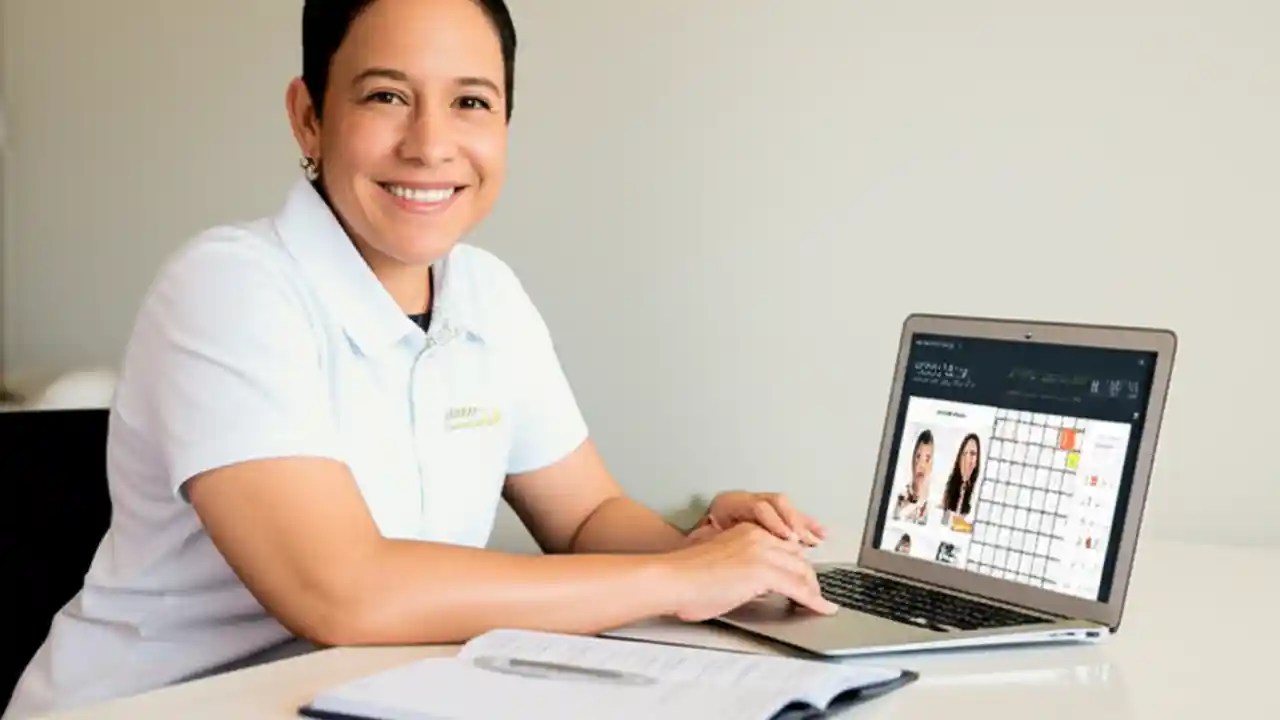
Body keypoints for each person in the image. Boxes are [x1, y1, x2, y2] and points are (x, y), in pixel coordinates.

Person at [3, 1, 838, 717]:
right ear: (308, 116)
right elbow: (344, 591)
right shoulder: (229, 288)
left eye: (471, 101)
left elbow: (584, 519)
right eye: (386, 96)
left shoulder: (488, 293)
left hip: (358, 699)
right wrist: (673, 582)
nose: (431, 144)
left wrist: (702, 550)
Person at [893, 429, 933, 524]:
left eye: (927, 459)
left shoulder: (931, 502)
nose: (921, 465)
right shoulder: (902, 496)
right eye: (918, 457)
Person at [942, 433, 982, 519]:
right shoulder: (950, 487)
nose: (968, 458)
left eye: (973, 454)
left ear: (977, 460)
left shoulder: (978, 491)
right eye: (964, 453)